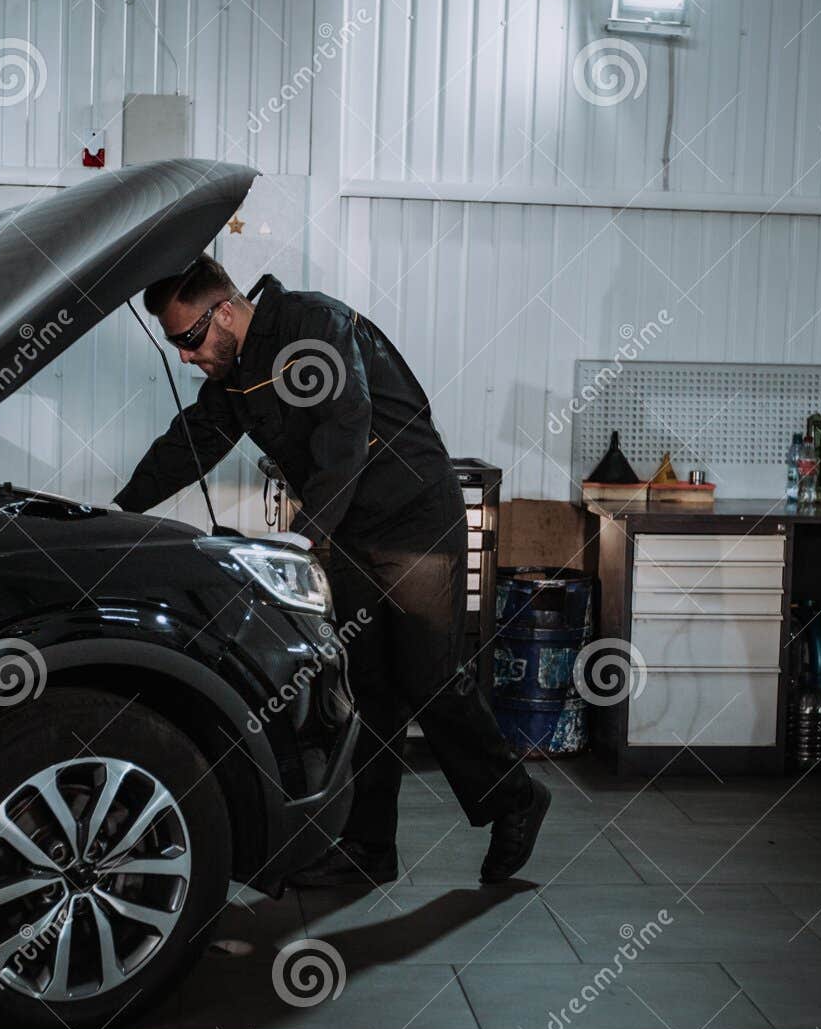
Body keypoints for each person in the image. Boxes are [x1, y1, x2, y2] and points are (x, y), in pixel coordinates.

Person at [112, 256, 549, 888]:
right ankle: (371, 848)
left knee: (427, 678)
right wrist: (119, 510)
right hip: (346, 531)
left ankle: (515, 799)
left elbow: (349, 428)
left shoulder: (316, 327)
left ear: (225, 311)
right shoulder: (237, 375)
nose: (185, 355)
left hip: (413, 520)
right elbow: (194, 440)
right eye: (177, 344)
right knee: (367, 686)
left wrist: (305, 531)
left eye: (189, 338)